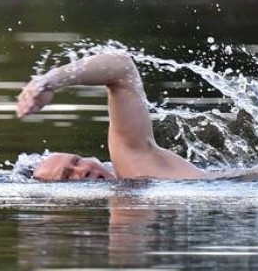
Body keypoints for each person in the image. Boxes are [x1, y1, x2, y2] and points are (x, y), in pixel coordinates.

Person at [15, 51, 209, 181]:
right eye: (67, 176)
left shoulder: (136, 167)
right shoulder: (128, 197)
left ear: (92, 158)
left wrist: (49, 81)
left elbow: (122, 68)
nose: (82, 171)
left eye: (76, 161)